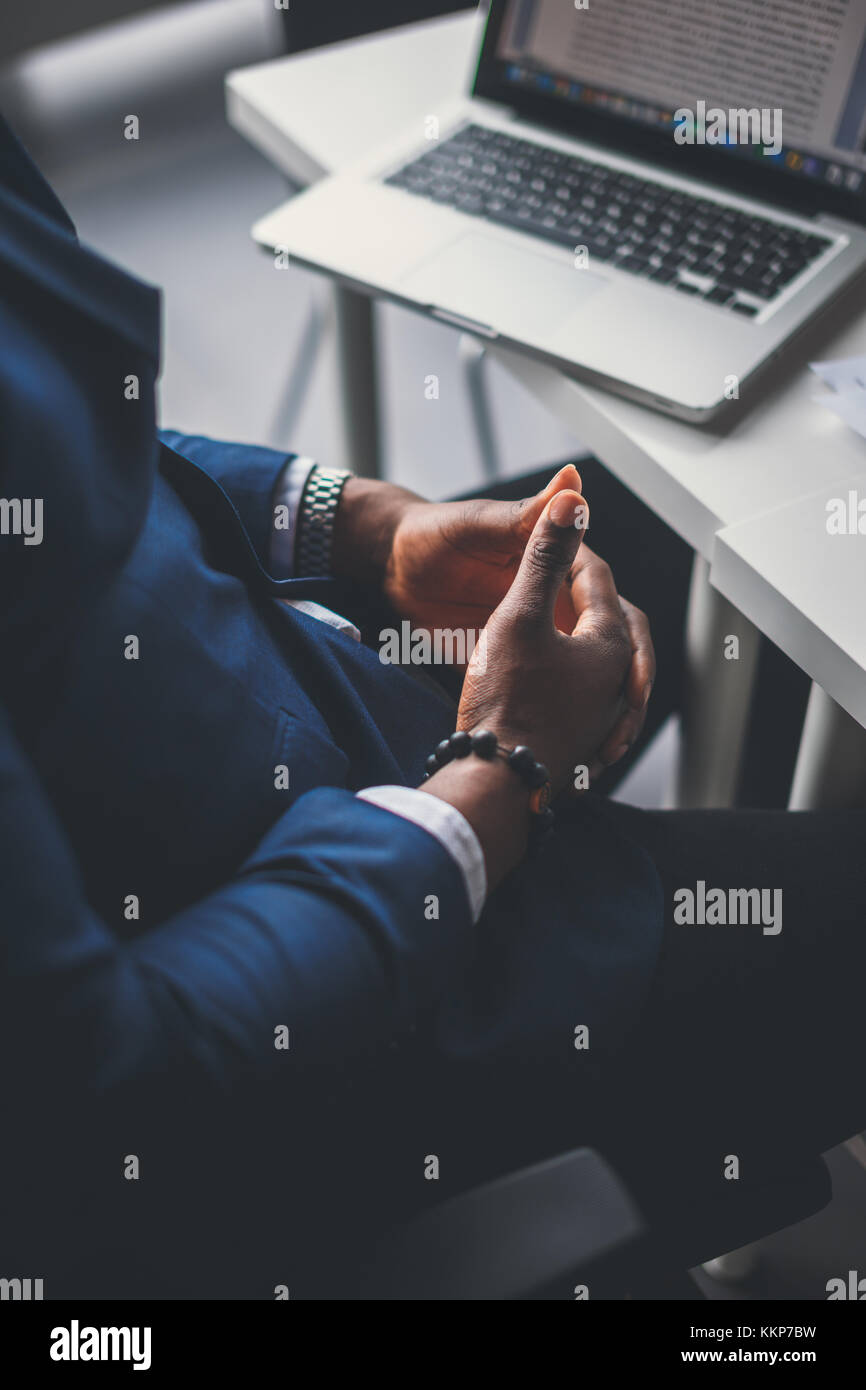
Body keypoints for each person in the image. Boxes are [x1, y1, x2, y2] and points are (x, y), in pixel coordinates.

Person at [2, 111, 865, 1300]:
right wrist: (493, 781)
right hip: (351, 990)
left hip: (313, 707)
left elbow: (86, 444)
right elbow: (106, 1100)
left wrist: (370, 529)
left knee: (672, 527)